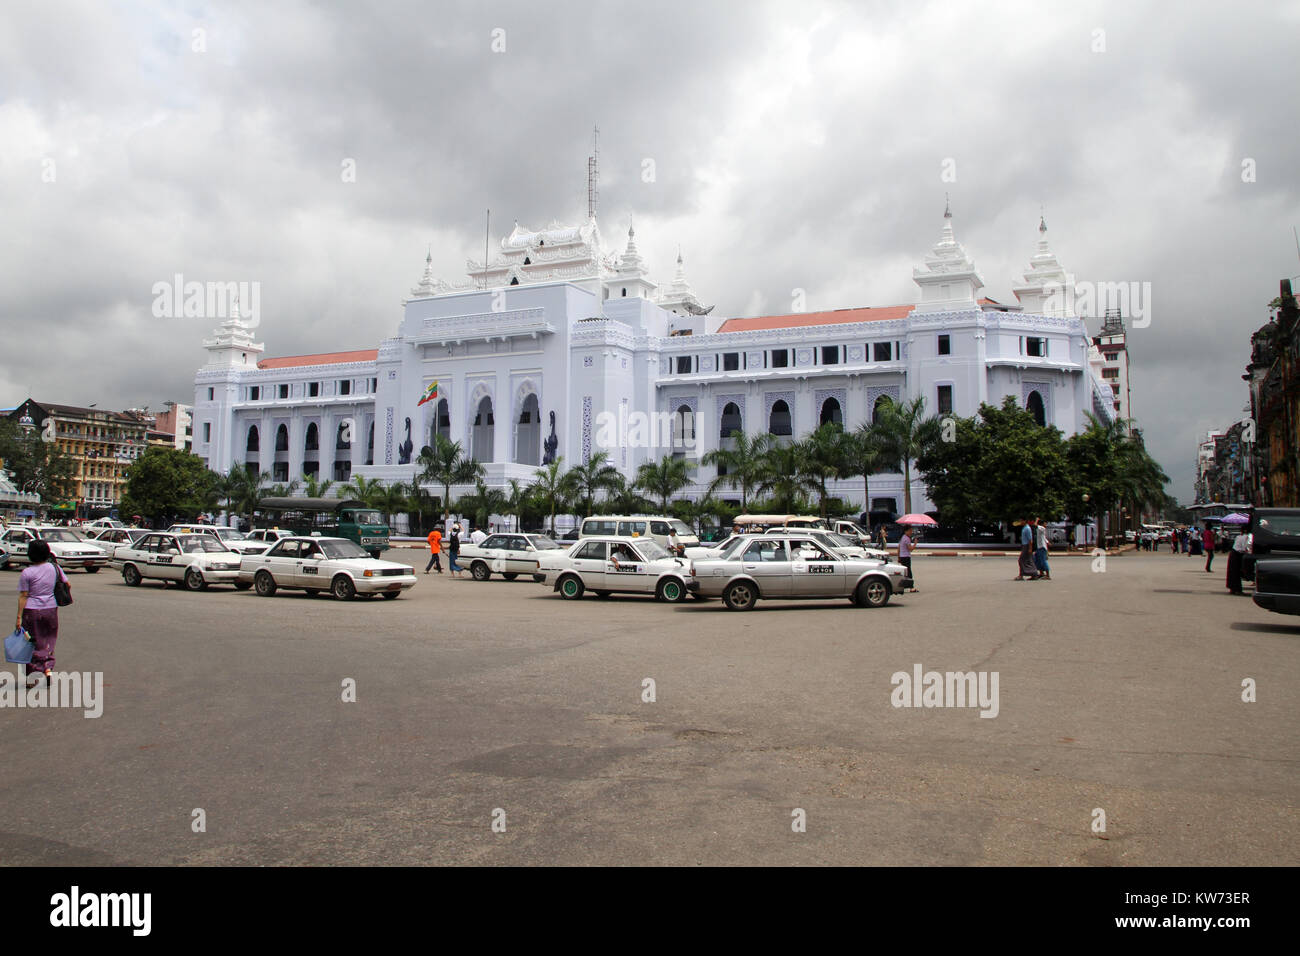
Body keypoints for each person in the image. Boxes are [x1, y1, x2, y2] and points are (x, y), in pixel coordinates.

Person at [16, 540, 68, 688]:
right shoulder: (54, 567)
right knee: (48, 640)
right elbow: (67, 584)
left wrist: (19, 617)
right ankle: (47, 668)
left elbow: (24, 596)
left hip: (32, 611)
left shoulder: (27, 572)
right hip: (51, 609)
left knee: (32, 643)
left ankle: (33, 676)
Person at [1226, 529, 1248, 595]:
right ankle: (1237, 590)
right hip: (1238, 554)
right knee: (1237, 572)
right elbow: (1244, 547)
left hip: (1233, 553)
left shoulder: (1238, 536)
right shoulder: (1246, 537)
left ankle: (1232, 588)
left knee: (1232, 572)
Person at [898, 527, 917, 591]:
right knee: (909, 572)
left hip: (902, 556)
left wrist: (899, 557)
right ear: (906, 531)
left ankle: (902, 586)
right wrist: (915, 544)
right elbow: (910, 549)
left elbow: (899, 548)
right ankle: (911, 587)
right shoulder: (907, 539)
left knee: (904, 572)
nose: (911, 532)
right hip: (906, 557)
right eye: (910, 531)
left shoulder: (902, 537)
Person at [1034, 517, 1051, 581]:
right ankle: (1041, 573)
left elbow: (1035, 525)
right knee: (1038, 561)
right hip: (1039, 547)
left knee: (1043, 561)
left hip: (1042, 547)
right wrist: (1048, 542)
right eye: (1045, 523)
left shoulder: (1042, 528)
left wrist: (1036, 520)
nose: (1046, 525)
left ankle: (1047, 575)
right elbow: (1043, 537)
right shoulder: (1039, 529)